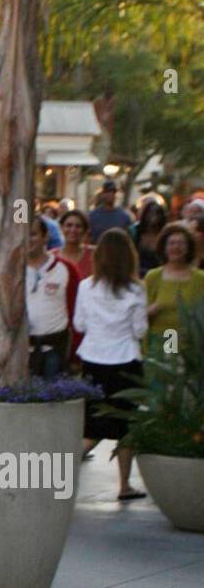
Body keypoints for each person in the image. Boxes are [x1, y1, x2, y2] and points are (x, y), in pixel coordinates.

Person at [74, 229, 148, 501]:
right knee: (125, 427)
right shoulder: (137, 289)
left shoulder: (86, 287)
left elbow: (79, 324)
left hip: (93, 360)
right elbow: (140, 330)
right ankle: (124, 485)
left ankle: (57, 474)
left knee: (93, 426)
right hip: (126, 361)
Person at [26, 216, 78, 378]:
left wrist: (74, 355)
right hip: (21, 352)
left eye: (33, 234)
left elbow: (75, 314)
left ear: (45, 236)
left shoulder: (66, 269)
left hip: (54, 350)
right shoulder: (12, 270)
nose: (28, 239)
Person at [144, 223, 204, 355]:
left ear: (188, 248)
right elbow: (139, 315)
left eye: (181, 243)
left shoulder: (200, 279)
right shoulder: (153, 277)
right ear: (164, 248)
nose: (176, 247)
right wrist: (152, 309)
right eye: (171, 243)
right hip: (161, 342)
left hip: (191, 346)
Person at [131, 197, 167, 278]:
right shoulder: (135, 231)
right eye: (150, 212)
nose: (154, 216)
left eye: (157, 213)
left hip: (157, 275)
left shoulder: (165, 234)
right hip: (135, 273)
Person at [55, 208, 94, 280]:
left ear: (85, 230)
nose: (73, 230)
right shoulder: (51, 257)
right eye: (69, 225)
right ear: (61, 228)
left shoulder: (94, 254)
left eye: (78, 226)